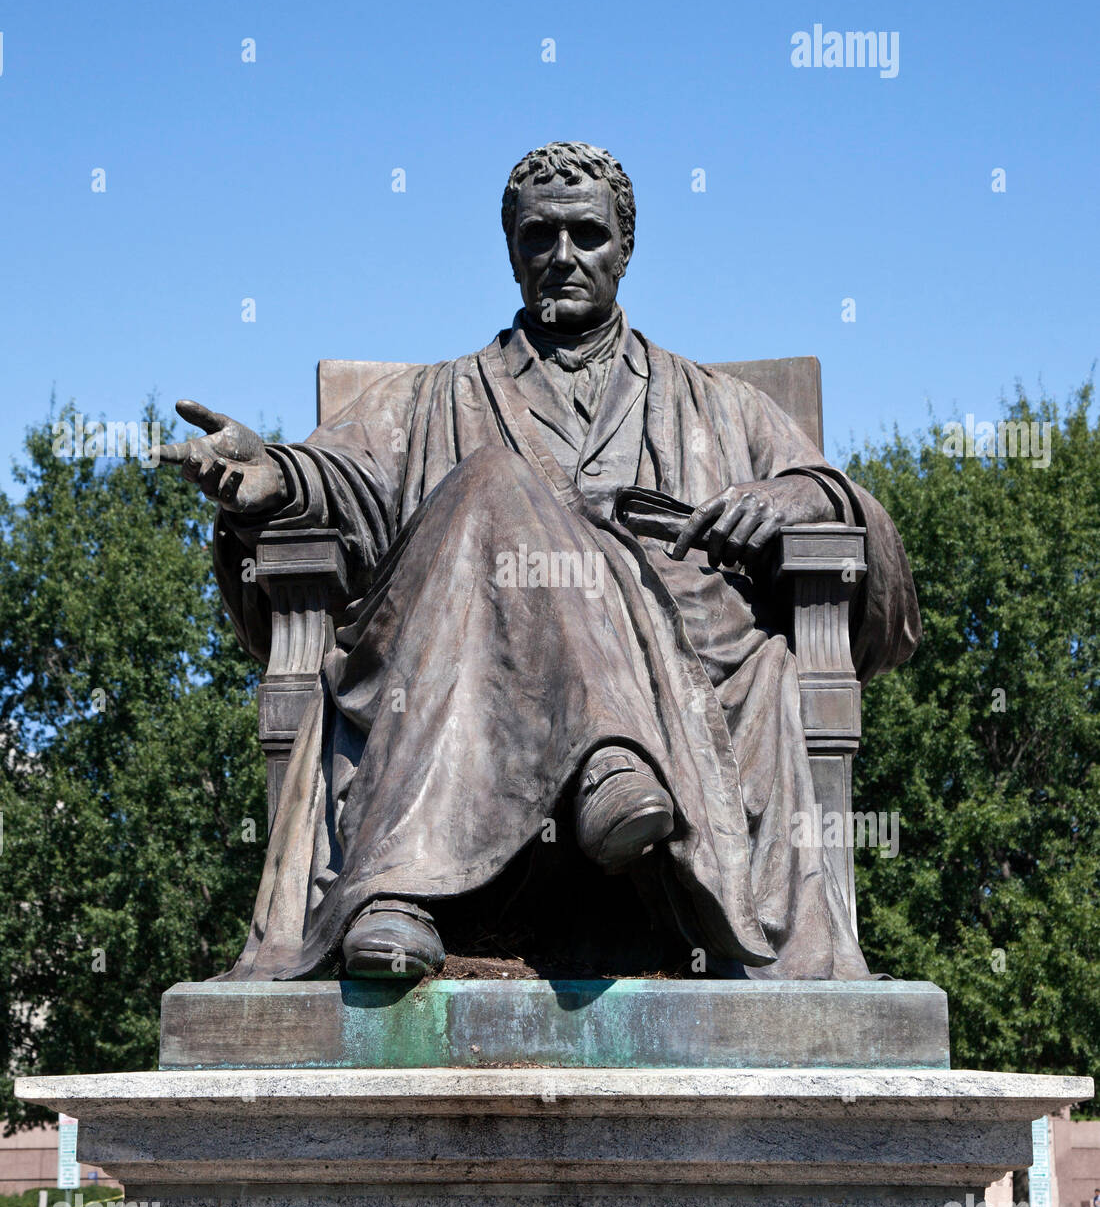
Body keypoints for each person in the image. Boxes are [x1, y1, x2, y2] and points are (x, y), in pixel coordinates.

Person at [160, 141, 920, 982]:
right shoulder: (433, 397)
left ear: (626, 249)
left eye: (587, 235)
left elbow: (875, 561)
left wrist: (810, 497)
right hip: (493, 678)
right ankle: (596, 773)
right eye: (539, 237)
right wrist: (275, 476)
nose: (563, 257)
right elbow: (345, 478)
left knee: (506, 497)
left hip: (686, 659)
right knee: (491, 481)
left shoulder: (724, 406)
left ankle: (404, 886)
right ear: (511, 250)